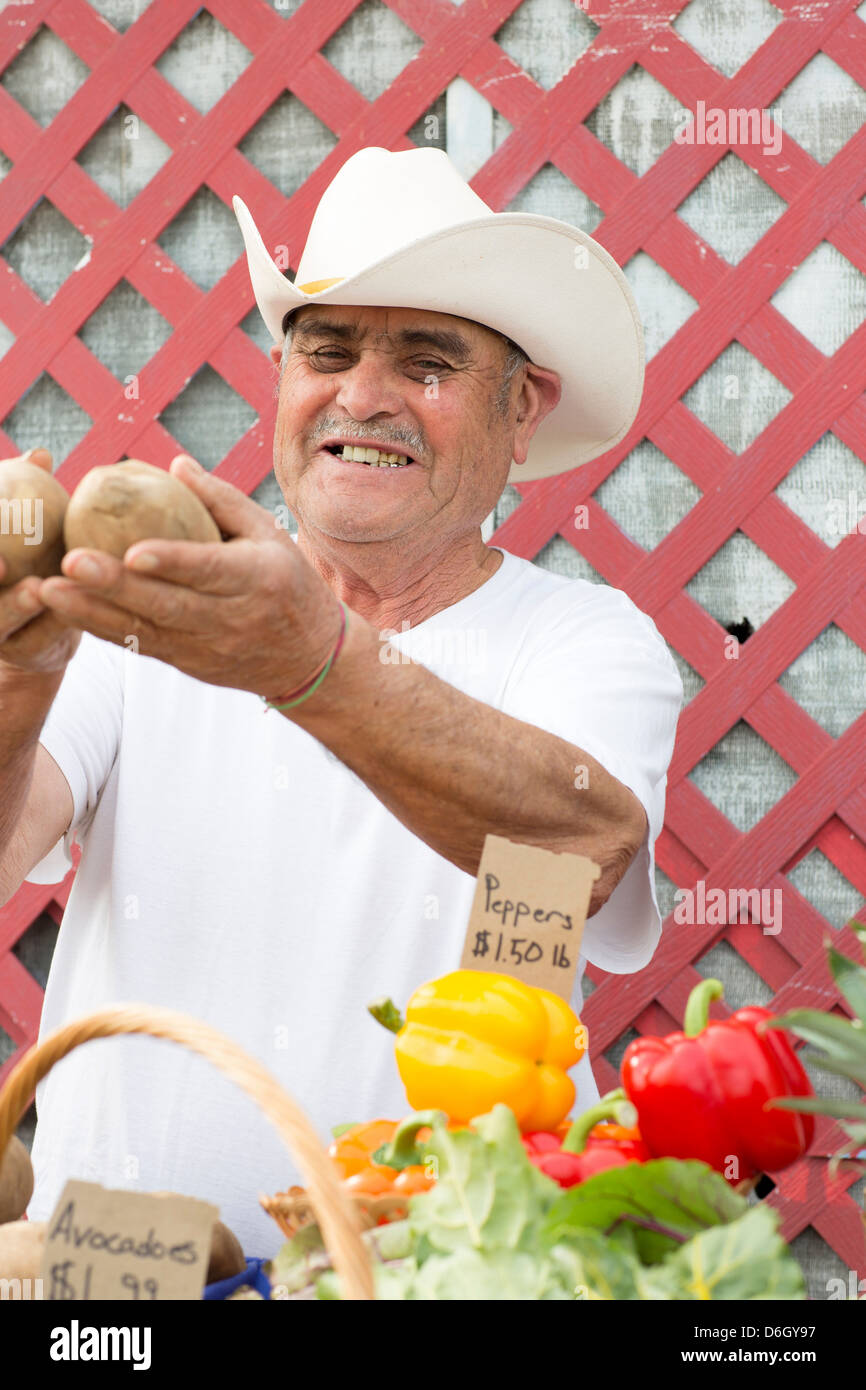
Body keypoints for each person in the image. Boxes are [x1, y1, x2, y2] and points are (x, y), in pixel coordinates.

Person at [0, 147, 682, 1256]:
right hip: (119, 1275)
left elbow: (577, 845)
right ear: (282, 379)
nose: (361, 395)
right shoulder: (138, 620)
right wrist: (19, 671)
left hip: (430, 1275)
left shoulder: (582, 642)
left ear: (522, 411)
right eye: (326, 350)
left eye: (426, 362)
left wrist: (308, 662)